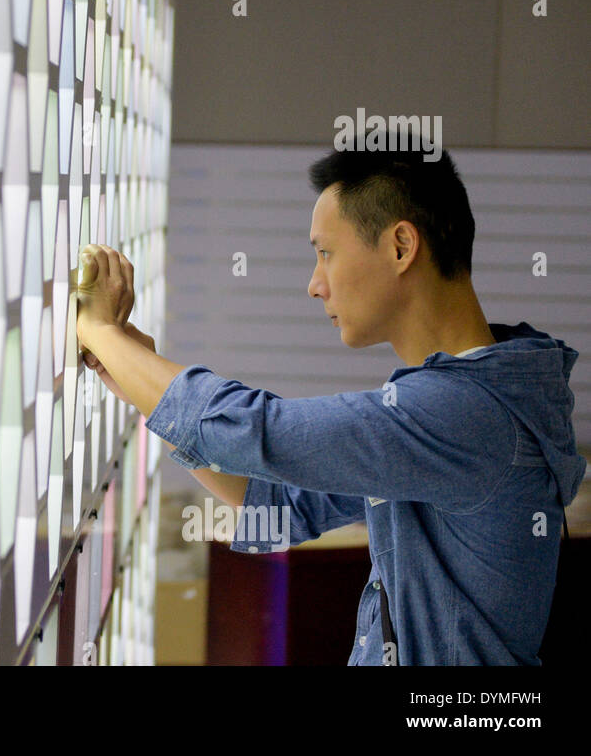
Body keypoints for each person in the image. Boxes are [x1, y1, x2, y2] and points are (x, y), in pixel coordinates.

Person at [74, 147, 586, 665]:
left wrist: (99, 330)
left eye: (325, 253)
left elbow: (258, 432)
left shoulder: (463, 414)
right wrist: (134, 373)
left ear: (402, 246)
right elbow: (278, 504)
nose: (315, 285)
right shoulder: (466, 404)